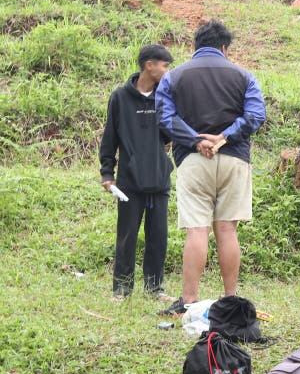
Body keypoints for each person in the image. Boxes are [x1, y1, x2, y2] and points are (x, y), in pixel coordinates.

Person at [155, 20, 266, 316]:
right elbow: (256, 114)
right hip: (234, 160)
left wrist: (195, 140)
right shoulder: (244, 76)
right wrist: (226, 135)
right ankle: (230, 299)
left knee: (197, 231)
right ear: (224, 47)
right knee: (228, 230)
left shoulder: (174, 77)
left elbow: (165, 117)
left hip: (193, 161)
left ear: (195, 46)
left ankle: (189, 302)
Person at [99, 44, 175, 302]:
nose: (167, 71)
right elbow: (110, 136)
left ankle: (155, 288)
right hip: (129, 181)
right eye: (164, 65)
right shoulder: (120, 97)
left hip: (158, 179)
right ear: (149, 65)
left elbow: (168, 135)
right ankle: (121, 289)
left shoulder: (165, 96)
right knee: (127, 236)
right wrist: (106, 172)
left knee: (159, 237)